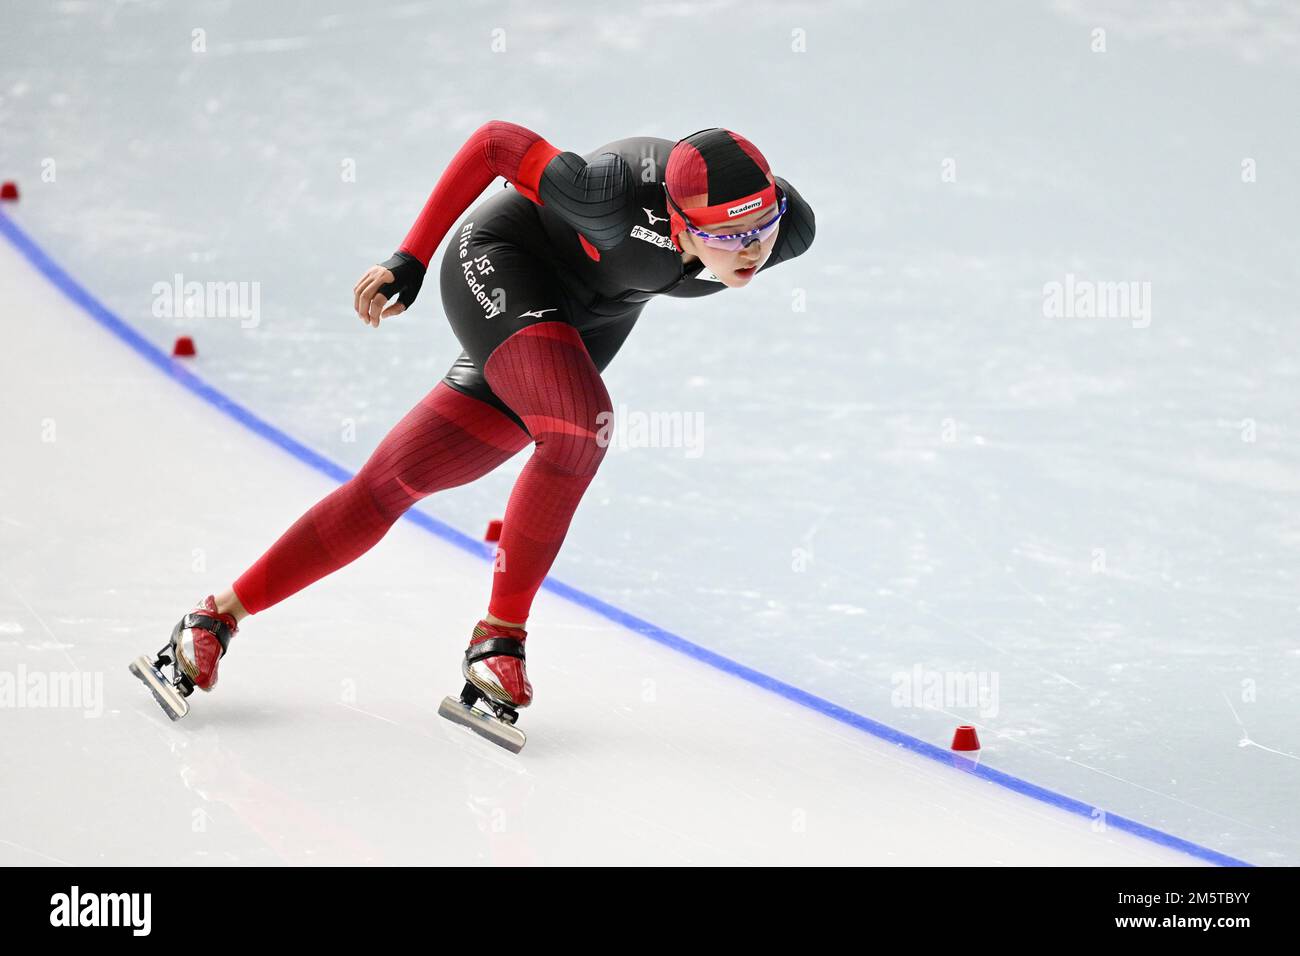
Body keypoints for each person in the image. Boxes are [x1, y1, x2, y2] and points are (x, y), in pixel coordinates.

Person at [156, 121, 815, 716]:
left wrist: (752, 230)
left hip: (586, 322)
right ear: (677, 223)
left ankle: (213, 619)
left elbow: (757, 228)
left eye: (758, 228)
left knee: (394, 481)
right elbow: (495, 144)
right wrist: (407, 258)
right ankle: (500, 638)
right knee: (583, 428)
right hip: (503, 262)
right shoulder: (606, 197)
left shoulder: (787, 228)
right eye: (726, 235)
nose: (750, 249)